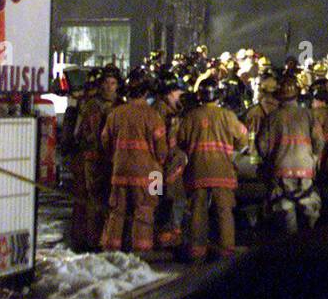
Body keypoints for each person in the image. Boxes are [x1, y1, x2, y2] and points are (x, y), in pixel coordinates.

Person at [177, 77, 247, 259]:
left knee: (197, 210)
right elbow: (243, 141)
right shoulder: (228, 116)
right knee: (224, 211)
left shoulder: (190, 117)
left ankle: (196, 250)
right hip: (222, 171)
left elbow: (180, 141)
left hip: (197, 171)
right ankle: (226, 250)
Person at [100, 70, 168, 253]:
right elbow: (162, 151)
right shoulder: (153, 116)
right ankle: (142, 251)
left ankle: (111, 248)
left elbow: (105, 140)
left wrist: (115, 159)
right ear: (146, 92)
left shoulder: (115, 114)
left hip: (119, 171)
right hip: (151, 173)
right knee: (146, 210)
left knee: (117, 211)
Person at [257, 79, 323, 233]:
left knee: (286, 218)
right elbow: (319, 142)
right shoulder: (308, 115)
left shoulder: (271, 118)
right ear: (296, 95)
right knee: (309, 219)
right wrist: (313, 158)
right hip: (305, 173)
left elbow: (261, 146)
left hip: (281, 174)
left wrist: (270, 161)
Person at [72, 64, 122, 250]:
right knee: (95, 199)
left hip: (113, 160)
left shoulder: (119, 105)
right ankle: (93, 240)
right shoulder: (93, 105)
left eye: (113, 83)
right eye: (106, 83)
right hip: (94, 159)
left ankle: (105, 238)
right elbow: (85, 134)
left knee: (111, 200)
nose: (109, 87)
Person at [152, 73, 188, 249]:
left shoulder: (164, 109)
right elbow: (166, 142)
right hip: (162, 167)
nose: (180, 96)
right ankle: (167, 236)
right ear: (169, 93)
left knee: (159, 198)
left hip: (158, 166)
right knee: (168, 199)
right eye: (178, 93)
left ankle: (160, 235)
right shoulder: (162, 112)